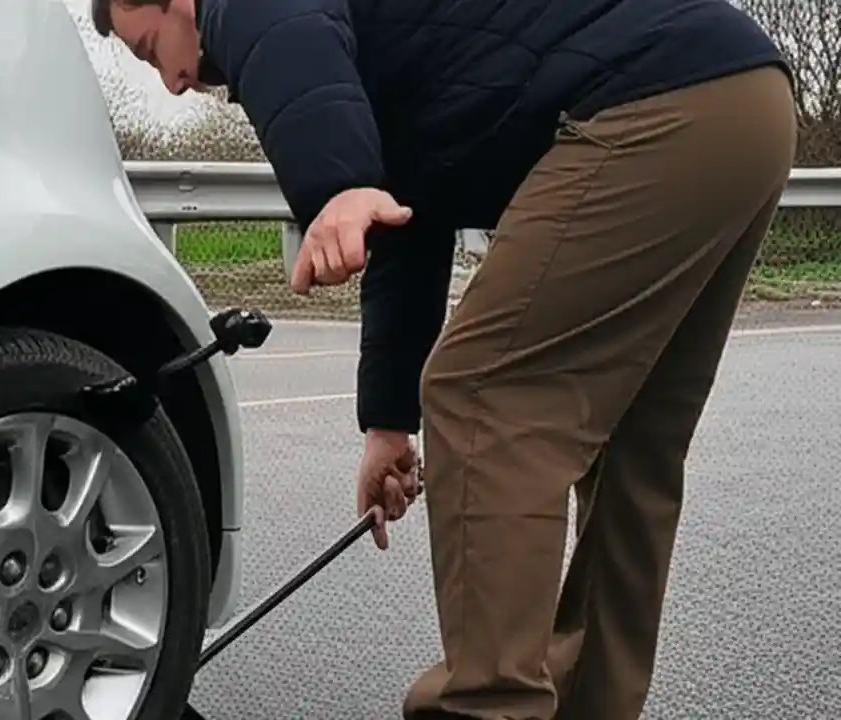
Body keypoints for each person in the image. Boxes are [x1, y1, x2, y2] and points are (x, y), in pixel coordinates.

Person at [92, 0, 796, 717]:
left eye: (151, 51)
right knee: (634, 446)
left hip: (654, 106)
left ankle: (488, 707)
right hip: (745, 102)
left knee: (483, 395)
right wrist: (389, 425)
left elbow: (280, 27)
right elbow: (407, 224)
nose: (173, 85)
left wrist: (332, 186)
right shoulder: (380, 46)